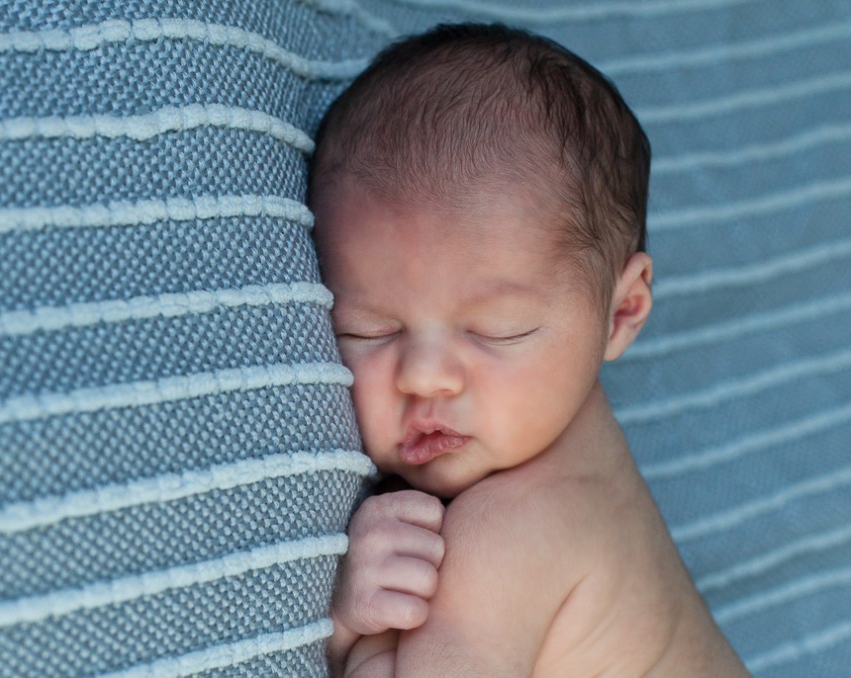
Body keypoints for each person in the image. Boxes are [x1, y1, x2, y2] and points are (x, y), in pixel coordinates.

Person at [308, 23, 749, 677]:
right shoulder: (586, 457)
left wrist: (348, 627)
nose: (425, 377)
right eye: (370, 331)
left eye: (497, 330)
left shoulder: (506, 535)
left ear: (620, 312)